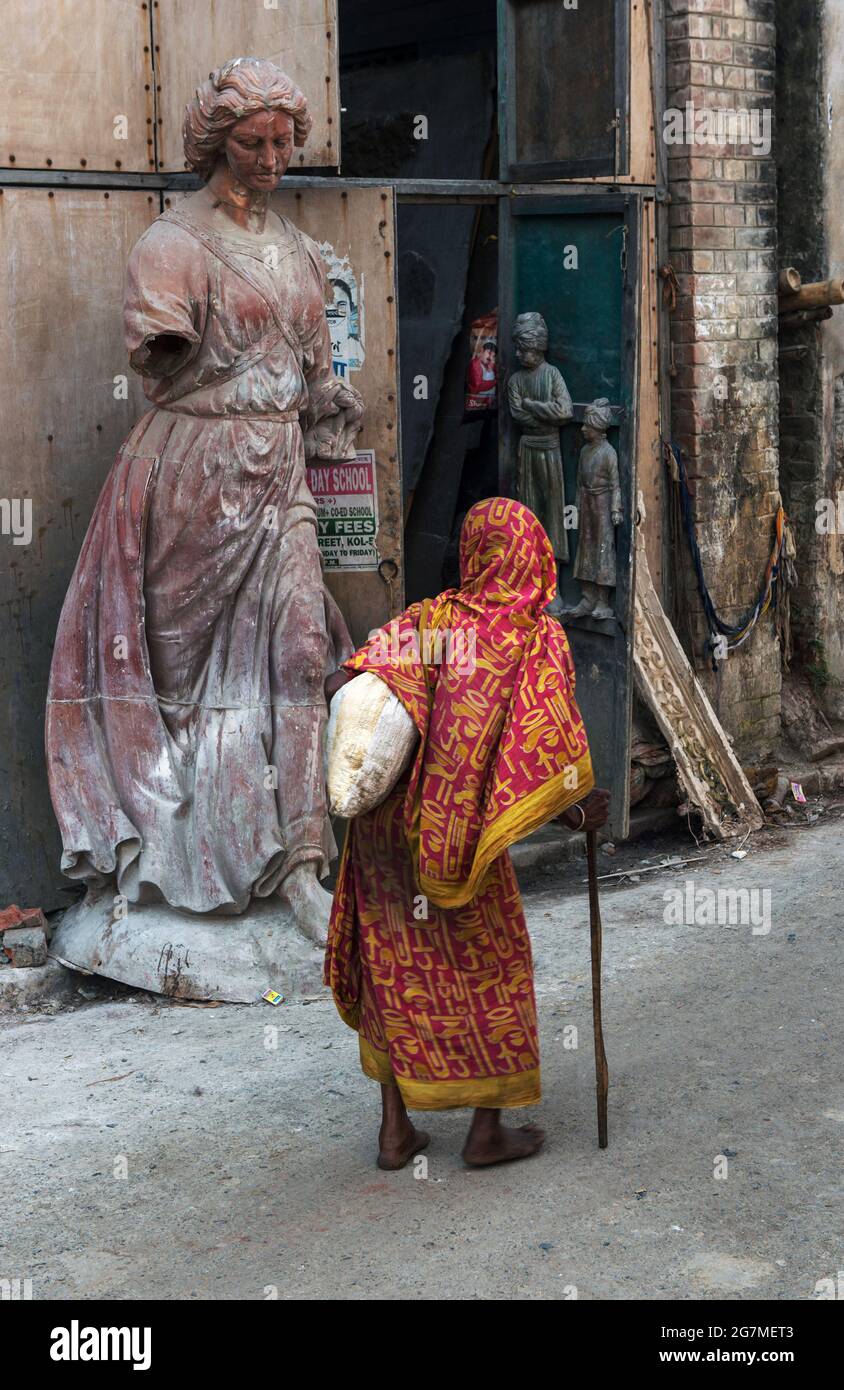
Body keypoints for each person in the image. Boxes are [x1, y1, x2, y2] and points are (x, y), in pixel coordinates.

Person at [46, 58, 362, 942]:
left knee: (301, 647)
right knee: (185, 689)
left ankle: (301, 865)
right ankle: (173, 863)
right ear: (217, 144)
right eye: (253, 143)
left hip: (278, 476)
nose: (271, 158)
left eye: (283, 142)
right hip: (190, 482)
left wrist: (325, 400)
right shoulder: (171, 243)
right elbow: (163, 360)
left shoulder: (300, 250)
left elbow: (302, 375)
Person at [324, 497, 610, 1169]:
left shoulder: (430, 620)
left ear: (474, 554)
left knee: (395, 963)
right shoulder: (532, 637)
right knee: (494, 967)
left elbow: (345, 678)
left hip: (383, 829)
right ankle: (485, 1131)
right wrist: (576, 810)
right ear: (533, 553)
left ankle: (396, 1131)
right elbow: (534, 752)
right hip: (457, 841)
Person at [507, 313, 573, 617]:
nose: (519, 355)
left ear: (537, 347)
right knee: (528, 516)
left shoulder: (552, 375)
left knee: (552, 517)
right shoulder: (516, 380)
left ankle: (554, 588)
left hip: (550, 450)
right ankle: (530, 586)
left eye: (523, 348)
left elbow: (564, 411)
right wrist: (541, 413)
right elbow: (517, 416)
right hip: (528, 450)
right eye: (518, 349)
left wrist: (534, 407)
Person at [568, 398, 623, 621]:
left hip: (602, 502)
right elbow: (580, 482)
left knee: (603, 546)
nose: (583, 429)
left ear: (598, 429)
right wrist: (577, 508)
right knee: (586, 546)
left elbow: (615, 484)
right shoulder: (584, 452)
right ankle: (587, 596)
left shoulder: (608, 453)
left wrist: (615, 509)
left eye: (587, 426)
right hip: (588, 503)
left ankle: (603, 599)